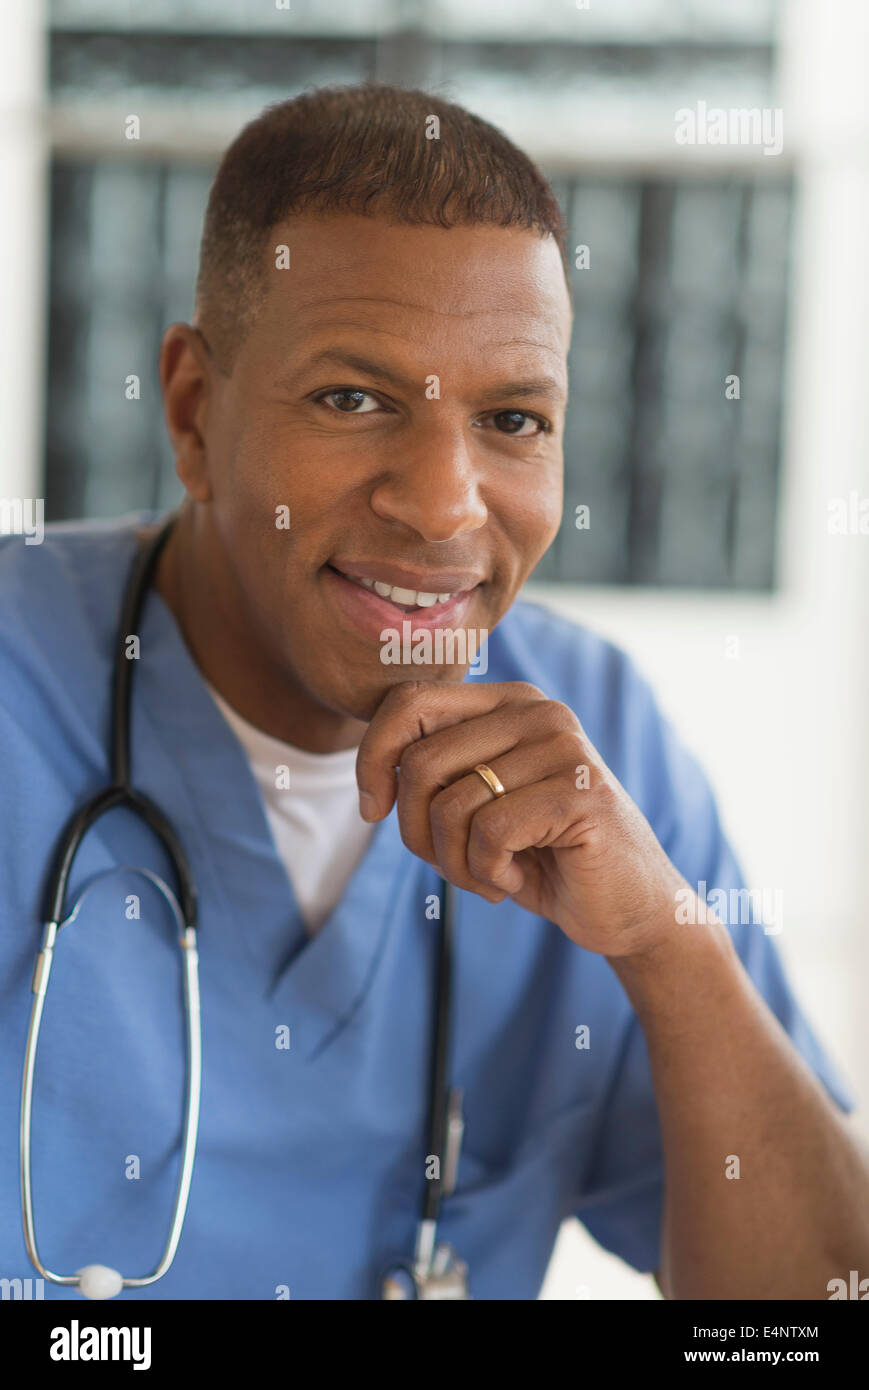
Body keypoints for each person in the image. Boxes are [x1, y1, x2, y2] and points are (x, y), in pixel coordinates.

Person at [1, 83, 867, 1302]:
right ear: (193, 413)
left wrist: (666, 949)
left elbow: (810, 1307)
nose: (444, 502)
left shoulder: (601, 738)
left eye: (513, 417)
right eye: (353, 399)